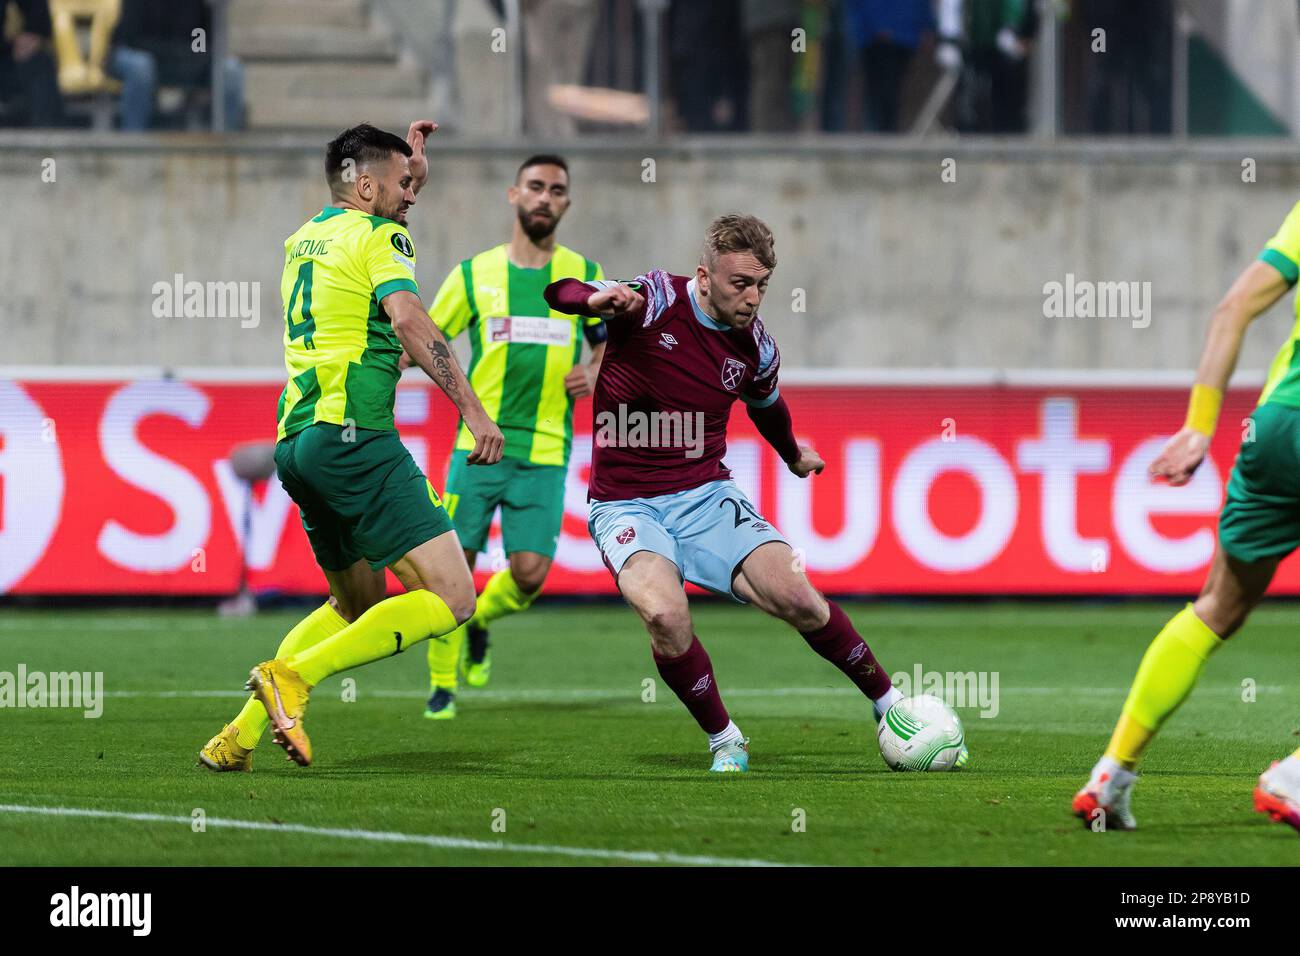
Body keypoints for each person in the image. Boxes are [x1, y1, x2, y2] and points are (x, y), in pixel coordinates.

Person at [544, 214, 960, 773]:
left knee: (798, 598)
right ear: (704, 275)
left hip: (706, 495)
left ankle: (890, 707)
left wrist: (792, 453)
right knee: (666, 616)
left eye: (762, 284)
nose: (753, 296)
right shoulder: (653, 299)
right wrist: (596, 301)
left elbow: (767, 406)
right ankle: (725, 739)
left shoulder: (755, 348)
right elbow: (560, 292)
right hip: (626, 503)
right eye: (740, 283)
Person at [198, 122, 504, 771]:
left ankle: (239, 736)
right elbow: (410, 319)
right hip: (356, 436)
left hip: (299, 444)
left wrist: (411, 166)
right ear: (365, 186)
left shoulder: (307, 237)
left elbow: (375, 209)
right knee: (454, 597)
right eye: (401, 185)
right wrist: (473, 412)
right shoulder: (380, 236)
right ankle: (294, 679)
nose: (411, 196)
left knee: (354, 603)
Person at [1073, 200, 1300, 833]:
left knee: (1217, 609)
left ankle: (1112, 774)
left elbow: (1233, 308)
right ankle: (1295, 776)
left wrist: (1199, 428)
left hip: (1276, 429)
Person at [418, 154, 605, 719]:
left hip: (546, 452)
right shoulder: (475, 275)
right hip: (476, 449)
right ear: (513, 195)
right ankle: (442, 689)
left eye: (556, 190)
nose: (545, 197)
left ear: (566, 204)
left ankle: (478, 621)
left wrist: (598, 368)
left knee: (527, 577)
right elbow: (428, 337)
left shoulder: (582, 275)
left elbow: (613, 340)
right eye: (535, 187)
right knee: (453, 567)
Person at [109, 0, 245, 131]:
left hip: (184, 60)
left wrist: (194, 56)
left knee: (231, 69)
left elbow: (203, 42)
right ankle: (134, 141)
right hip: (142, 57)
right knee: (140, 65)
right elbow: (132, 39)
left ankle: (226, 143)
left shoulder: (199, 3)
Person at [0, 0, 64, 127]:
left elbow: (38, 12)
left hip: (7, 55)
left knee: (39, 63)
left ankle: (46, 133)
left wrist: (33, 32)